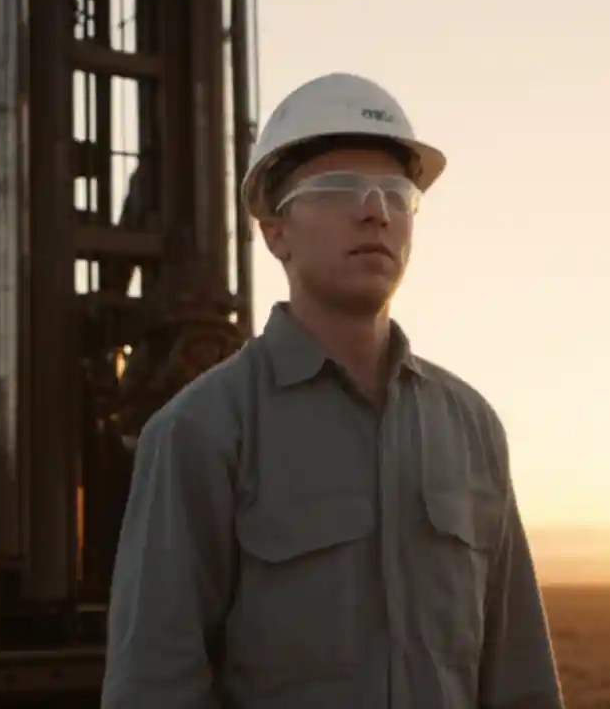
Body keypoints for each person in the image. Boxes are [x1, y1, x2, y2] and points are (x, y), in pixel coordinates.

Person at [101, 72, 565, 708]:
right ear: (275, 231)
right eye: (339, 188)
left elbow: (520, 677)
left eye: (397, 194)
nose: (375, 209)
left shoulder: (470, 426)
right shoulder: (202, 431)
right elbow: (154, 688)